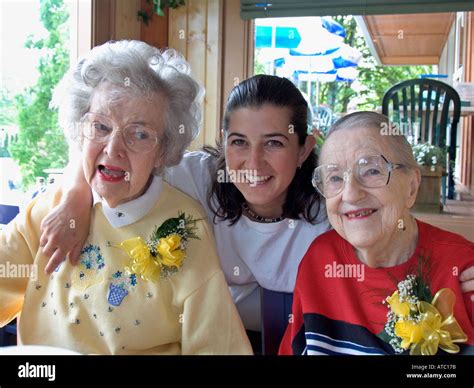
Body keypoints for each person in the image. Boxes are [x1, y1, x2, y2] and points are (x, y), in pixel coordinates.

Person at [0, 40, 252, 355]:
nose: (113, 149)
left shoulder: (185, 226)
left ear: (164, 151)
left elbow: (217, 346)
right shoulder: (55, 207)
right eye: (101, 127)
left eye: (140, 134)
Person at [39, 75, 331, 335]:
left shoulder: (329, 213)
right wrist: (74, 197)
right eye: (239, 142)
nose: (253, 163)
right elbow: (108, 162)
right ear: (223, 141)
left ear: (304, 149)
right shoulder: (195, 178)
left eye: (274, 143)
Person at [279, 112, 474, 355]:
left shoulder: (463, 269)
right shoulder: (319, 260)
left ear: (411, 187)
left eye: (371, 171)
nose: (350, 194)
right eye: (335, 177)